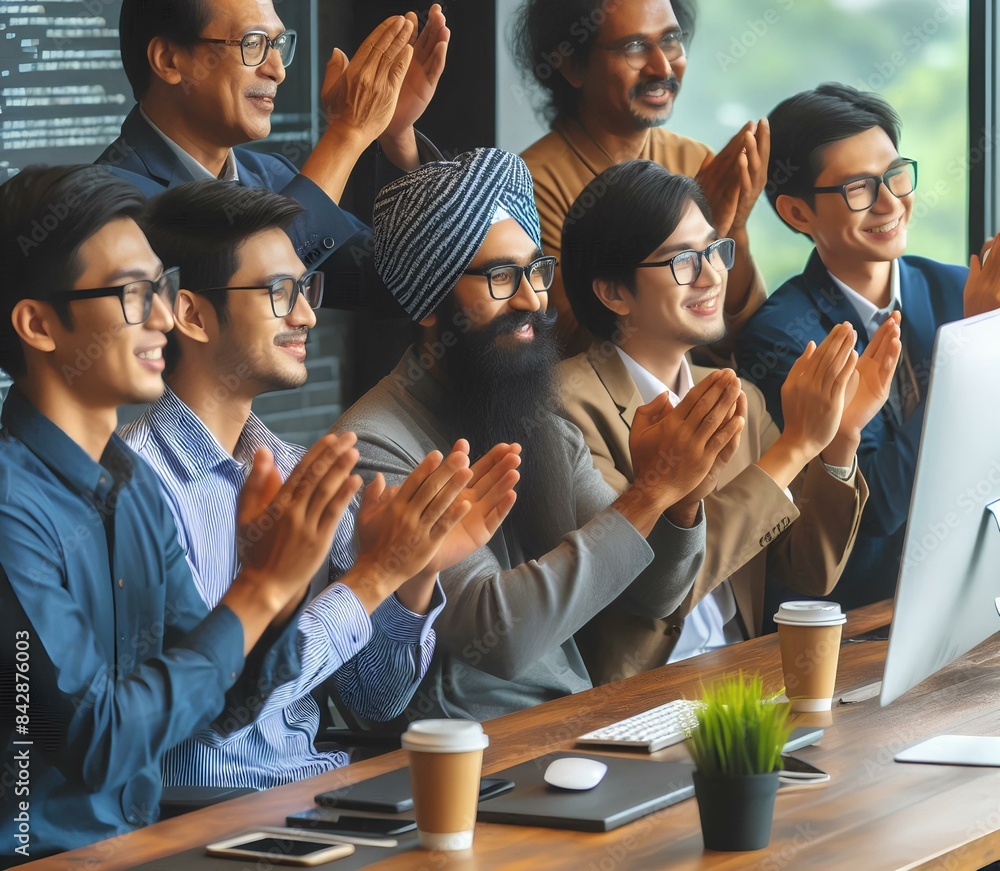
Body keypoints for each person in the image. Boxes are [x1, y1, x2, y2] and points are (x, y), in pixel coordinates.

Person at [0, 167, 364, 860]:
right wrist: (257, 594)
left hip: (145, 846)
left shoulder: (127, 484)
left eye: (159, 292)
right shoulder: (10, 509)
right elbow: (100, 744)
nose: (164, 318)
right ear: (38, 324)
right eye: (134, 296)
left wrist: (275, 591)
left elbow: (222, 701)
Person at [120, 181, 519, 789]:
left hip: (317, 793)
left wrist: (414, 577)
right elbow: (202, 711)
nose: (306, 313)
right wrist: (369, 580)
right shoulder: (135, 485)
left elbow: (376, 696)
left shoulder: (295, 465)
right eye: (280, 292)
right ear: (192, 314)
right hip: (202, 816)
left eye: (306, 289)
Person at [333, 147, 747, 722]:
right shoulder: (375, 444)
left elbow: (654, 593)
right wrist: (648, 493)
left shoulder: (536, 414)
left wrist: (682, 494)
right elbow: (498, 633)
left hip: (573, 722)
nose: (532, 299)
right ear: (428, 301)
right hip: (465, 751)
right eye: (502, 277)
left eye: (535, 271)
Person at [557, 160, 901, 680]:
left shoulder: (740, 395)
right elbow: (658, 591)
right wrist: (793, 448)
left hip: (747, 676)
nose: (712, 274)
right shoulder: (566, 405)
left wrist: (840, 442)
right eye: (682, 261)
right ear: (613, 291)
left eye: (714, 250)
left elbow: (812, 572)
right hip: (632, 698)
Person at [734, 82, 1000, 612]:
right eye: (859, 187)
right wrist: (973, 347)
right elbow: (876, 507)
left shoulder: (955, 287)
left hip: (978, 591)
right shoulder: (782, 334)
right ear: (797, 213)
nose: (890, 202)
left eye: (895, 175)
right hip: (860, 616)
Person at [96, 0, 448, 307]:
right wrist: (347, 134)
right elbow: (251, 287)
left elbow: (401, 283)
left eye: (278, 45)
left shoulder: (268, 176)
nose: (277, 69)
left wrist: (395, 136)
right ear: (169, 61)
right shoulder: (108, 201)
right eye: (253, 43)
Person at [511, 0, 770, 354]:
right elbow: (569, 347)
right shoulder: (526, 186)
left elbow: (745, 340)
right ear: (571, 65)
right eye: (634, 47)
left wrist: (731, 230)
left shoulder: (695, 160)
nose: (662, 68)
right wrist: (711, 227)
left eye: (670, 41)